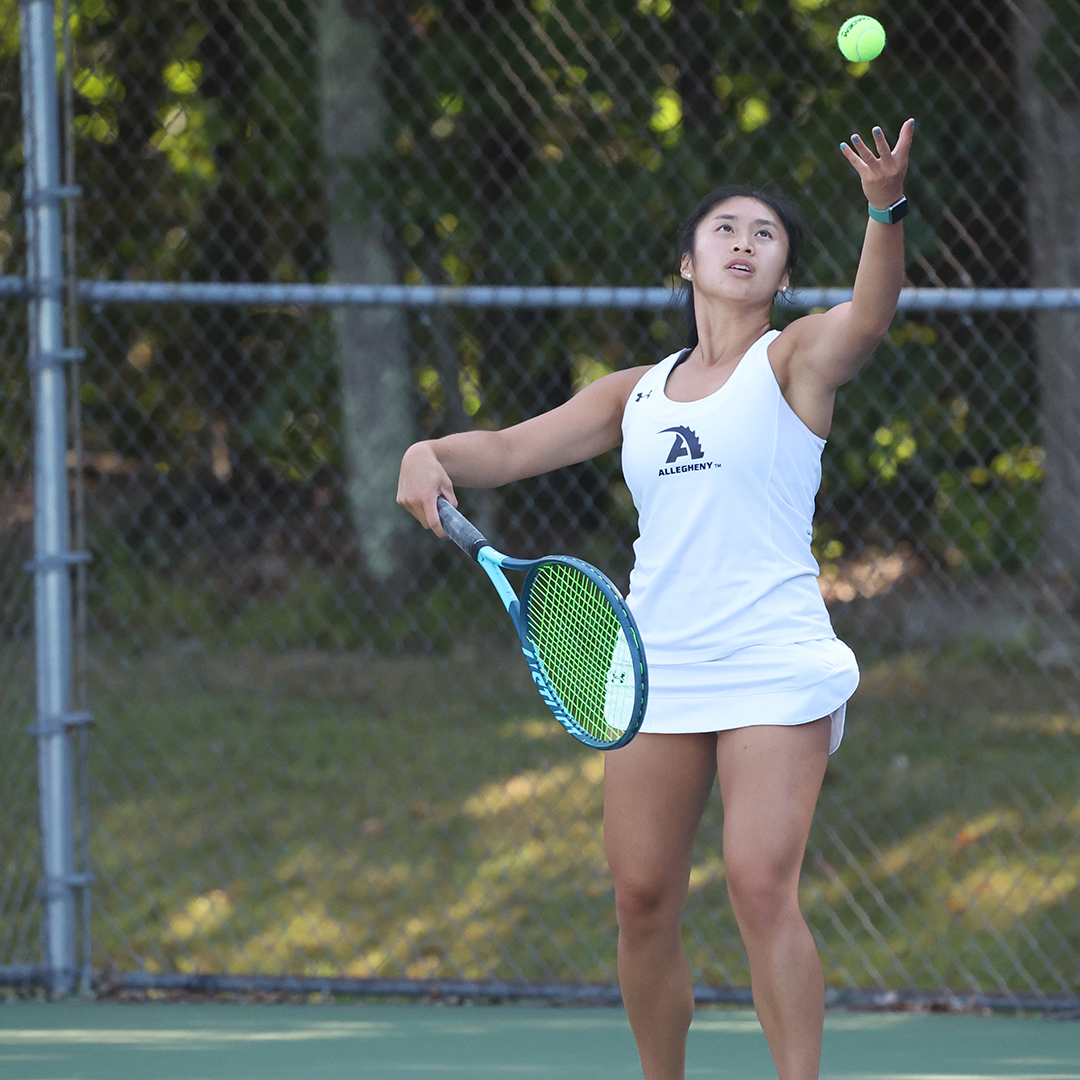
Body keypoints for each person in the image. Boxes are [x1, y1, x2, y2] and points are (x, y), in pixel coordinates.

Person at [397, 118, 915, 1080]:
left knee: (761, 885)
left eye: (766, 235)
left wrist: (883, 211)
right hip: (655, 667)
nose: (745, 242)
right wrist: (428, 454)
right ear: (688, 261)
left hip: (771, 661)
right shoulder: (633, 394)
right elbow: (508, 450)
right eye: (725, 228)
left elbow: (871, 316)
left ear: (783, 276)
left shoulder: (793, 363)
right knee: (641, 899)